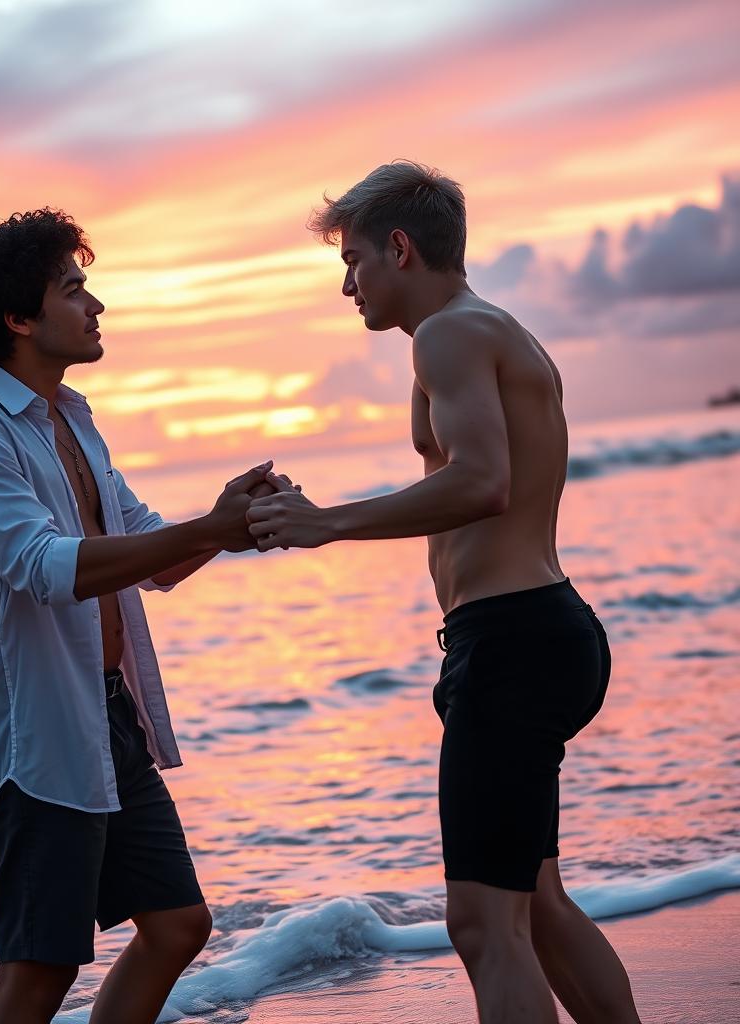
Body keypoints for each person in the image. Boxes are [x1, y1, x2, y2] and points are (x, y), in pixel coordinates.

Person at [245, 162, 643, 1024]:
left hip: (511, 640)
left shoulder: (448, 336)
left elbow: (482, 483)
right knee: (535, 904)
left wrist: (328, 523)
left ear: (400, 248)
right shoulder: (496, 330)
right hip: (541, 627)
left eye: (353, 261)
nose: (347, 285)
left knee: (481, 923)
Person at [0, 208, 289, 1024]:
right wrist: (211, 532)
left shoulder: (72, 422)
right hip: (32, 737)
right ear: (18, 317)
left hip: (104, 713)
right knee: (41, 969)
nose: (97, 306)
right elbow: (47, 569)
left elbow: (152, 557)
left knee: (177, 925)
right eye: (74, 289)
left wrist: (232, 523)